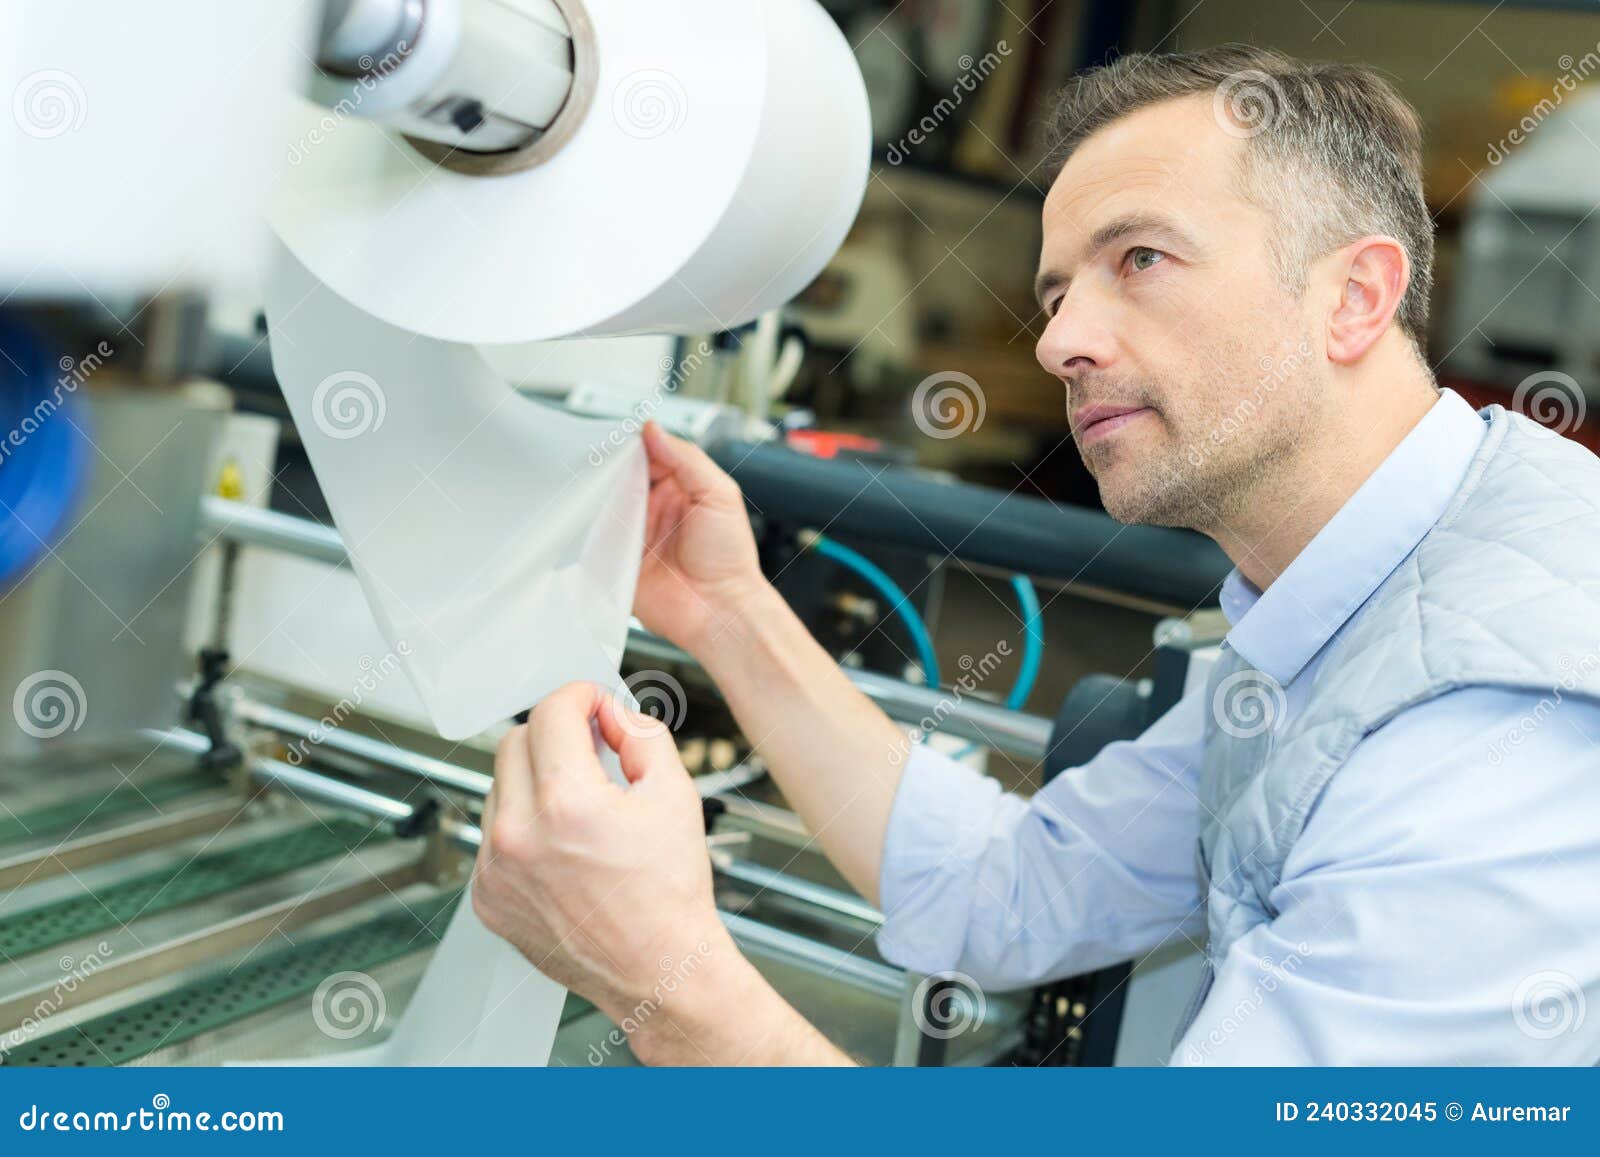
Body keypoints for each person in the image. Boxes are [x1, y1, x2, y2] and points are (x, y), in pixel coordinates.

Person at [470, 45, 1600, 1065]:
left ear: (1353, 295)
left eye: (1141, 258)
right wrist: (725, 606)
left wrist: (658, 980)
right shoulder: (1336, 599)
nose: (1059, 341)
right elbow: (1002, 893)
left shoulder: (1497, 722)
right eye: (1056, 292)